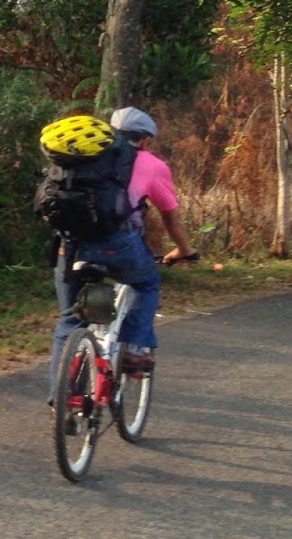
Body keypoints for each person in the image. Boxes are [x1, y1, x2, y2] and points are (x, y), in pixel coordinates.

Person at [49, 105, 195, 403]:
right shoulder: (151, 164)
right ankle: (136, 349)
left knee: (69, 320)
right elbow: (170, 218)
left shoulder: (82, 158)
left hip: (70, 244)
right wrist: (184, 250)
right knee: (146, 283)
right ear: (144, 140)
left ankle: (62, 397)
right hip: (118, 244)